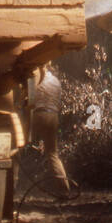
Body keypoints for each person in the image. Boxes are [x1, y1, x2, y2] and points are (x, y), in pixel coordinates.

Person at [31, 67, 75, 199]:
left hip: (39, 114)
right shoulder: (56, 81)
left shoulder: (36, 78)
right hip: (53, 116)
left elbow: (29, 99)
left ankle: (12, 187)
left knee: (18, 147)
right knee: (52, 153)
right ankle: (64, 190)